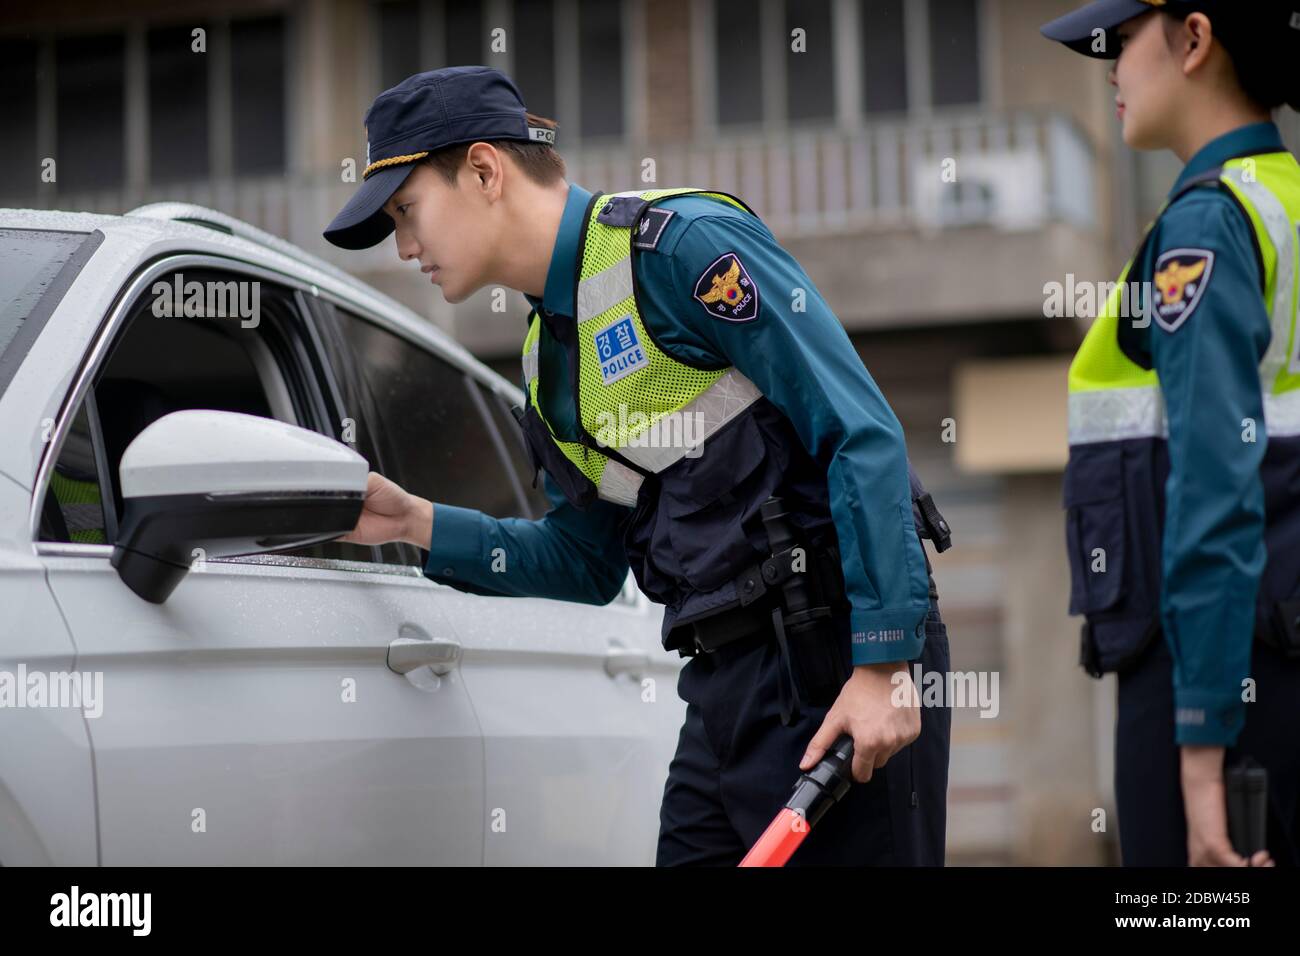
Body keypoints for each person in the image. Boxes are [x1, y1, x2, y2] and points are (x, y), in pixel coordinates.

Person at [322, 65, 952, 866]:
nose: (405, 247)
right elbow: (586, 561)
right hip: (720, 685)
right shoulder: (549, 366)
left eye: (407, 212)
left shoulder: (679, 248)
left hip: (834, 658)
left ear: (483, 170)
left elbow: (859, 429)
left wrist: (885, 660)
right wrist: (415, 524)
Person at [1043, 0, 1300, 865]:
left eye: (1122, 40)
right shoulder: (1285, 202)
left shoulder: (1206, 224)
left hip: (1217, 683)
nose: (1110, 66)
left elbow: (1213, 490)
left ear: (1194, 38)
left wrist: (1199, 762)